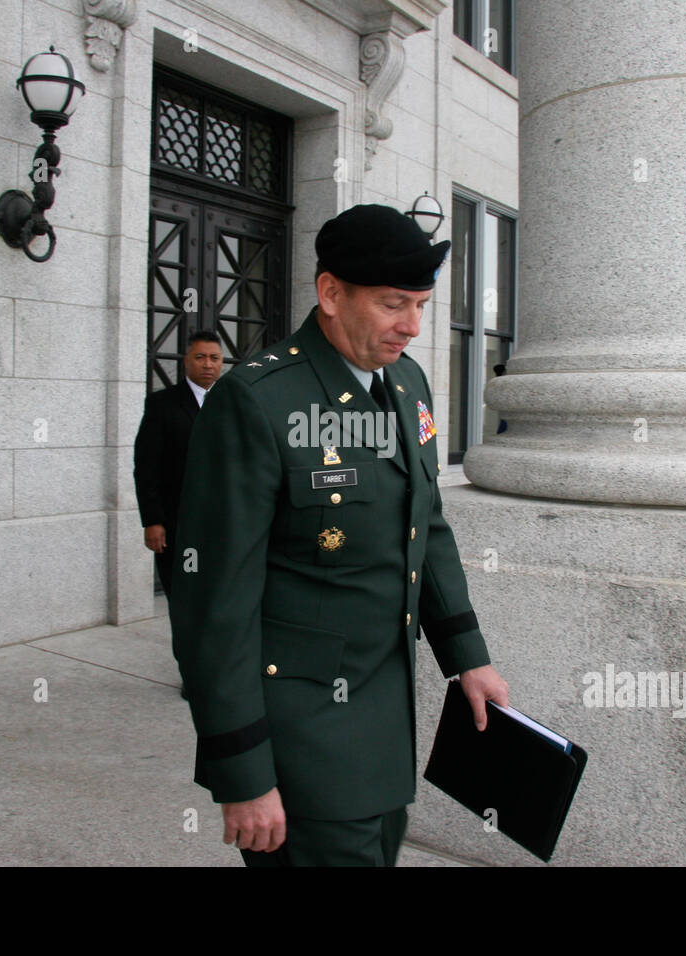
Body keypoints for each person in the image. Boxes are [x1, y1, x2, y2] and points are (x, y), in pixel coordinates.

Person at [170, 203, 510, 867]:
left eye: (421, 305)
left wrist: (466, 654)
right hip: (303, 733)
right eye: (392, 305)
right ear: (331, 293)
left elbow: (426, 525)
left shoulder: (407, 383)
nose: (411, 327)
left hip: (383, 722)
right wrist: (243, 772)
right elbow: (214, 604)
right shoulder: (259, 400)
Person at [132, 330, 223, 598]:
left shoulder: (234, 402)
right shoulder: (162, 404)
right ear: (186, 361)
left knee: (217, 597)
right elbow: (146, 466)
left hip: (223, 523)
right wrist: (153, 521)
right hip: (177, 522)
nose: (208, 364)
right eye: (200, 357)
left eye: (214, 358)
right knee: (182, 595)